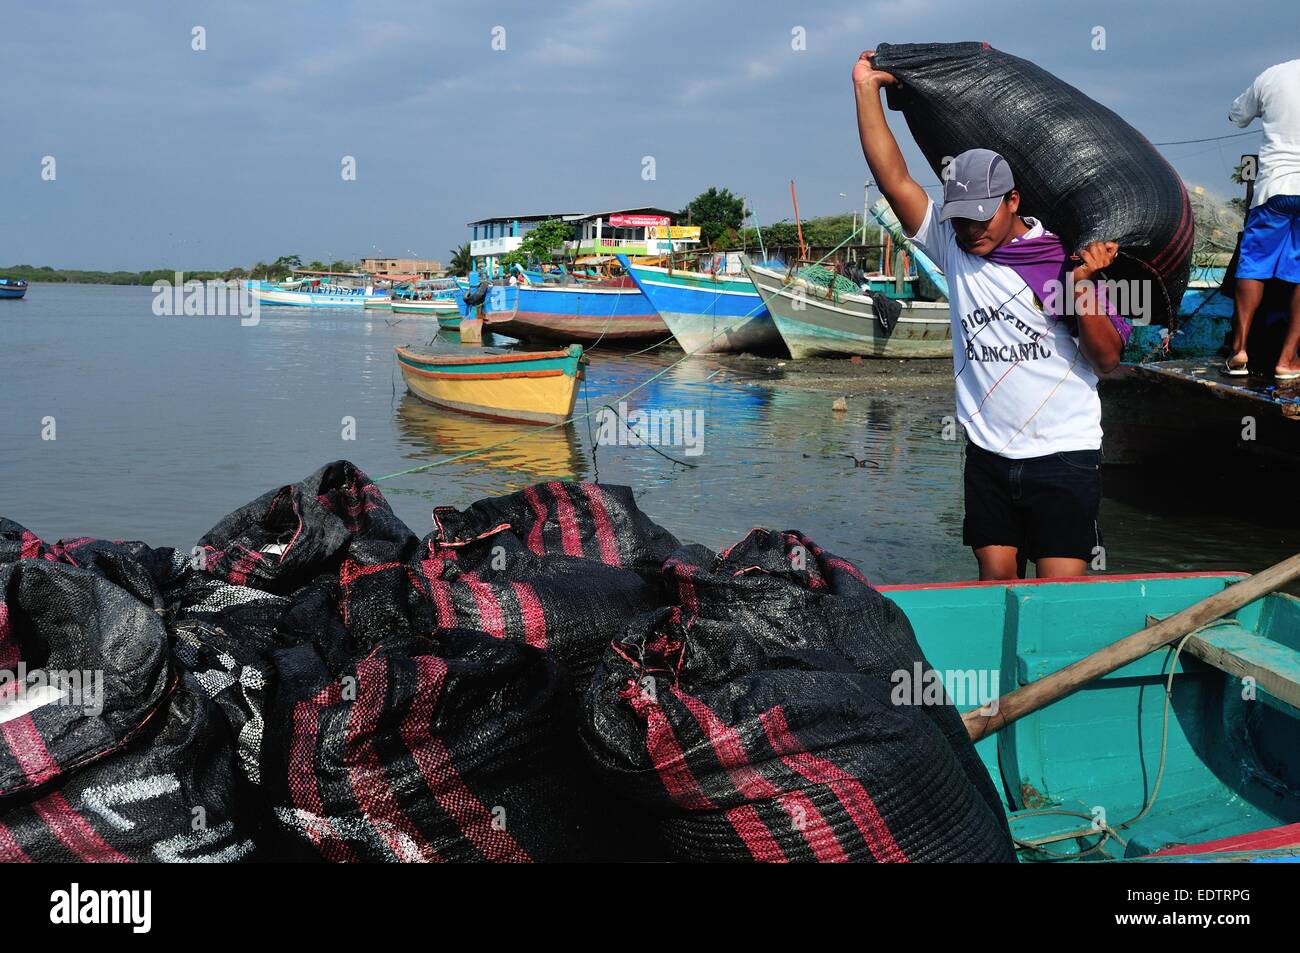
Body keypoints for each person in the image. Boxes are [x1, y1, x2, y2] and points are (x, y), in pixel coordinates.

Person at [852, 50, 1130, 581]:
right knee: (994, 585)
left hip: (1064, 454)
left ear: (1012, 202)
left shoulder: (1061, 258)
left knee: (1058, 596)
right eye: (960, 220)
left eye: (982, 218)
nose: (971, 230)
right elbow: (894, 179)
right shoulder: (953, 247)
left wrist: (1082, 287)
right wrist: (866, 89)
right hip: (987, 454)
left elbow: (1107, 359)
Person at [1224, 59, 1300, 379]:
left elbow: (1237, 115)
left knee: (1253, 264)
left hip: (1274, 189)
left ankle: (1239, 350)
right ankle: (1287, 360)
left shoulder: (1274, 75)